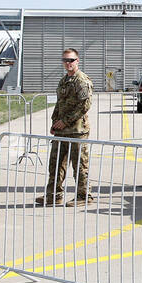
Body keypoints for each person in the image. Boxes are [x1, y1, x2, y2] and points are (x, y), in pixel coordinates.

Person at [36, 48, 93, 206]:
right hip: (61, 131)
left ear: (77, 61)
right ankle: (54, 195)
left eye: (71, 60)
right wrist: (55, 123)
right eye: (65, 60)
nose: (68, 63)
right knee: (55, 163)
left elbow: (85, 105)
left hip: (77, 131)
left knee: (79, 164)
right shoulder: (64, 81)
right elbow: (59, 104)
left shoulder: (81, 80)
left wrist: (65, 121)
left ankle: (84, 195)